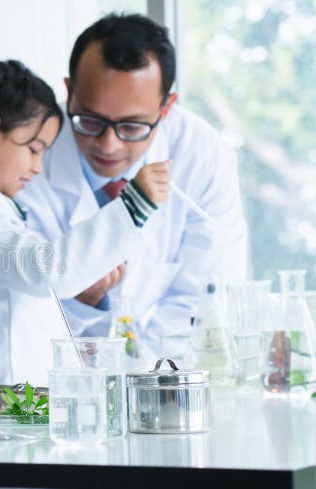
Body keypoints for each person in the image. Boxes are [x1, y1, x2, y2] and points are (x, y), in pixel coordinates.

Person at [0, 60, 171, 405]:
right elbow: (49, 270)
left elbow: (33, 301)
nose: (38, 167)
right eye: (34, 148)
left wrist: (87, 296)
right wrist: (134, 205)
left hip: (5, 412)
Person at [18, 13, 248, 360]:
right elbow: (20, 308)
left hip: (167, 375)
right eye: (90, 121)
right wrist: (82, 303)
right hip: (52, 382)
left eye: (132, 126)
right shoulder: (28, 156)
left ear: (166, 108)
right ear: (69, 94)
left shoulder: (201, 154)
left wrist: (142, 379)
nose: (108, 146)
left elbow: (208, 296)